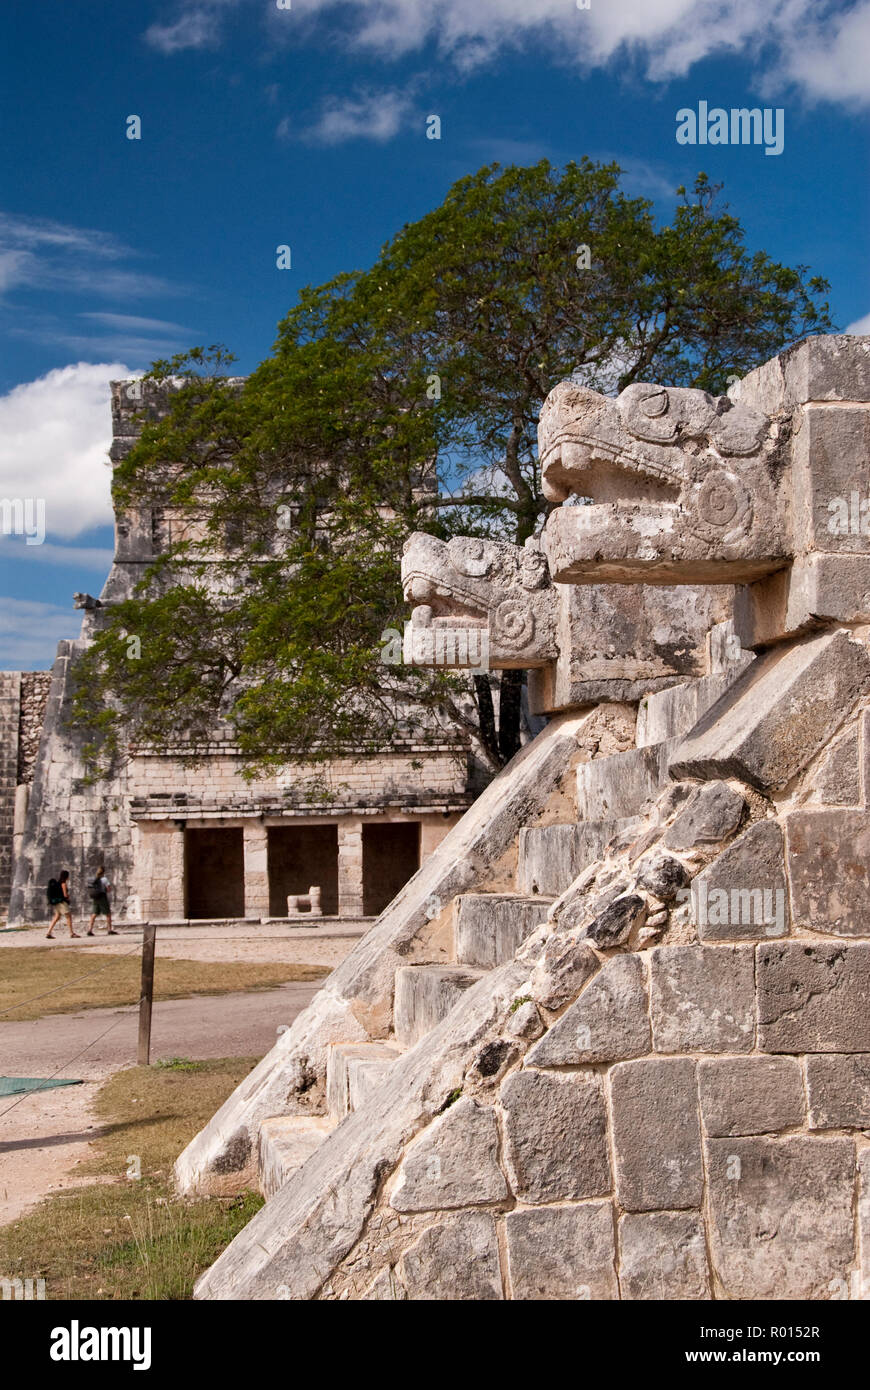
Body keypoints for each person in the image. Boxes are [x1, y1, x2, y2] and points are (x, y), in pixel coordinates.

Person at [46, 870, 79, 939]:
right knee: (68, 917)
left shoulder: (58, 883)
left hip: (57, 903)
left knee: (56, 917)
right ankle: (71, 933)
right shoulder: (63, 883)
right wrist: (68, 898)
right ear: (66, 876)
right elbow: (65, 895)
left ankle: (48, 932)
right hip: (62, 903)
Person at [87, 865, 117, 936]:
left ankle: (89, 930)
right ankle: (109, 930)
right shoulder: (104, 879)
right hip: (102, 897)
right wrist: (106, 890)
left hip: (95, 897)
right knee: (108, 914)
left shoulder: (94, 879)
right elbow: (109, 889)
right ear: (104, 872)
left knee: (94, 914)